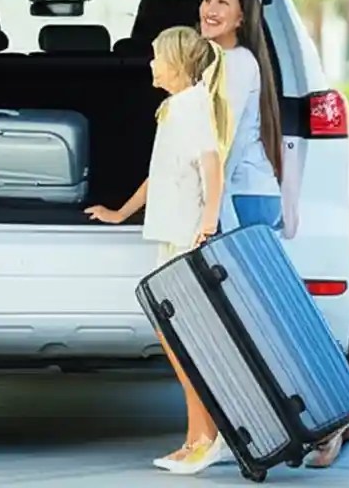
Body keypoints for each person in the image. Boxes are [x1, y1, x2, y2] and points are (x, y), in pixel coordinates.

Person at [198, 0, 349, 469]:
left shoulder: (238, 65)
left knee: (272, 324)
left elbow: (221, 147)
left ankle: (330, 422)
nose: (210, 7)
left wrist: (210, 213)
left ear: (244, 16)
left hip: (246, 200)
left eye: (224, 1)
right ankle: (308, 422)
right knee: (261, 321)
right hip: (245, 198)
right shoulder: (222, 63)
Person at [84, 25, 234, 475]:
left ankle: (205, 439)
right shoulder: (174, 108)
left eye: (155, 57)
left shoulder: (190, 107)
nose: (150, 64)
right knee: (176, 343)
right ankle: (197, 438)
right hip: (172, 236)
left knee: (182, 343)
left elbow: (212, 164)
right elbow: (160, 173)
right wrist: (120, 212)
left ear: (176, 62)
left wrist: (207, 222)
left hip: (186, 239)